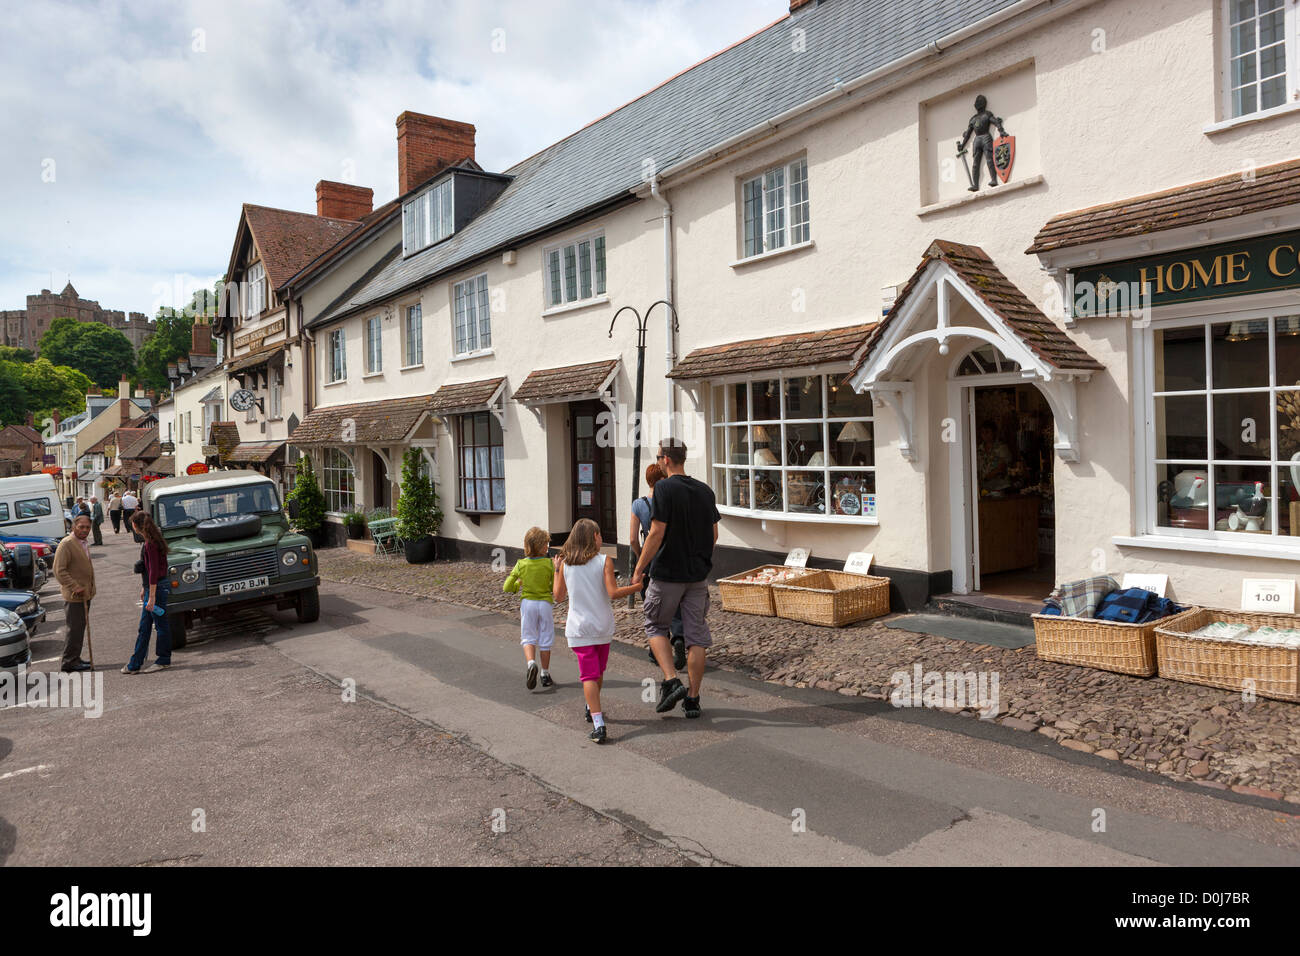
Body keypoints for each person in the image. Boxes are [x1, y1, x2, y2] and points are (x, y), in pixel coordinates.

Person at [633, 438, 719, 719]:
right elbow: (714, 535)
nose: (658, 462)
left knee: (655, 625)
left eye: (659, 457)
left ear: (666, 459)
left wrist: (640, 567)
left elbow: (656, 532)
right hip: (697, 576)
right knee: (696, 637)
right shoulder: (705, 491)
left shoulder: (664, 488)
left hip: (667, 573)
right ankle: (693, 700)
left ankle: (671, 681)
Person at [553, 518, 639, 744]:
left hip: (580, 629)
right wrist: (637, 587)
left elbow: (558, 596)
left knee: (593, 674)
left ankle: (593, 708)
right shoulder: (604, 561)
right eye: (600, 535)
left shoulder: (565, 564)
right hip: (601, 626)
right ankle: (598, 722)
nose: (602, 539)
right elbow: (613, 593)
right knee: (595, 674)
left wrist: (556, 571)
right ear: (594, 537)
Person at [629, 463, 685, 671]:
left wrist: (640, 557)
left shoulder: (639, 505)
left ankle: (657, 649)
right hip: (673, 554)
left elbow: (633, 539)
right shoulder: (671, 501)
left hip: (650, 556)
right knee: (676, 598)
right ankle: (678, 636)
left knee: (652, 603)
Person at [503, 526, 556, 690]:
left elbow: (507, 587)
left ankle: (531, 663)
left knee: (528, 637)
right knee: (545, 640)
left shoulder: (521, 564)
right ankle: (545, 674)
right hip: (545, 604)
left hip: (528, 604)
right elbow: (554, 586)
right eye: (546, 544)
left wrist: (517, 584)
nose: (547, 547)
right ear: (541, 547)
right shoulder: (549, 564)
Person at [123, 511, 172, 674]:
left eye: (132, 526)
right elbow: (150, 569)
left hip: (157, 589)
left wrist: (151, 596)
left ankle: (163, 659)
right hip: (156, 587)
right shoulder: (153, 540)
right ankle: (135, 663)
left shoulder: (150, 543)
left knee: (160, 625)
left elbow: (154, 571)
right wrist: (144, 587)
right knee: (144, 627)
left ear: (136, 526)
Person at [52, 514, 96, 673]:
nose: (85, 530)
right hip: (75, 595)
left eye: (87, 527)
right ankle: (69, 662)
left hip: (85, 594)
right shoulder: (67, 544)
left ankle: (75, 658)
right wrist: (75, 586)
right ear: (73, 527)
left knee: (79, 628)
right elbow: (58, 570)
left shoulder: (82, 542)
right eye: (81, 527)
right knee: (75, 629)